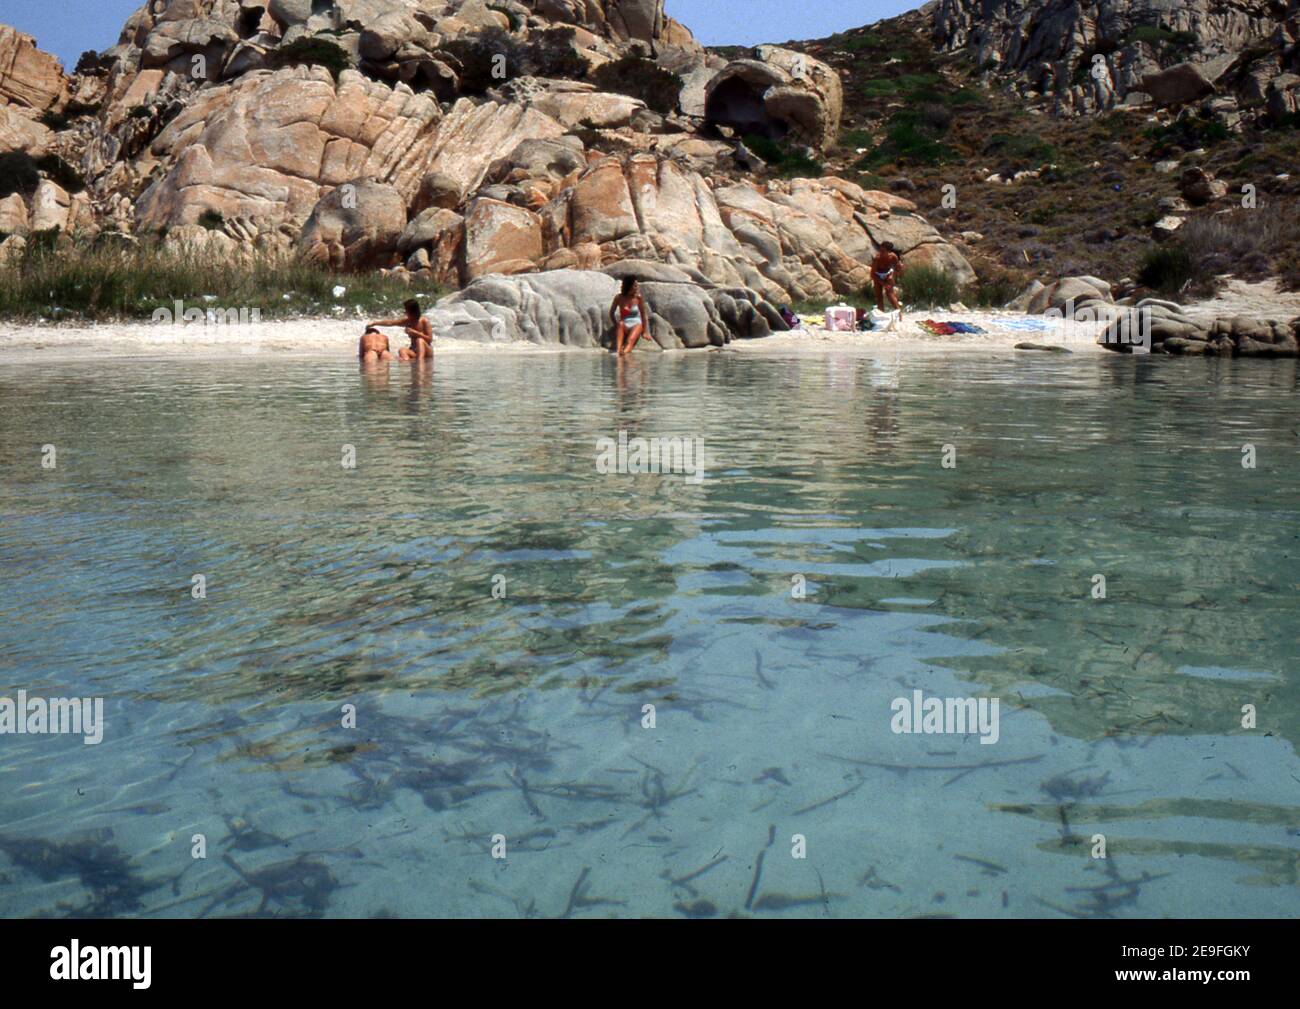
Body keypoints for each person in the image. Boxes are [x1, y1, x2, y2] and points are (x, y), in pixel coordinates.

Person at [609, 277, 649, 357]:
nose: (637, 287)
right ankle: (618, 351)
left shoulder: (638, 298)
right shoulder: (619, 297)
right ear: (629, 286)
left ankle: (624, 352)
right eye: (635, 286)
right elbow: (611, 312)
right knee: (620, 324)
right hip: (624, 323)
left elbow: (643, 315)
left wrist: (645, 331)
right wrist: (615, 324)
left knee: (629, 341)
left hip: (636, 323)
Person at [870, 242, 904, 315]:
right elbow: (872, 274)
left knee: (890, 294)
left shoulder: (893, 257)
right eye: (880, 250)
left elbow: (897, 268)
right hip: (877, 275)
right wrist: (883, 283)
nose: (881, 253)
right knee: (879, 296)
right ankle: (881, 314)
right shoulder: (877, 259)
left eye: (883, 251)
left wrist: (893, 274)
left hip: (888, 273)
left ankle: (899, 314)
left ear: (888, 251)